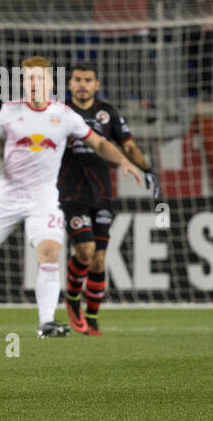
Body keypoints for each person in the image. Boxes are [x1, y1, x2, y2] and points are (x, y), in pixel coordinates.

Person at [0, 56, 144, 338]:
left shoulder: (65, 116)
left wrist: (123, 160)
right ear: (23, 84)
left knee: (50, 253)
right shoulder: (10, 112)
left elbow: (98, 142)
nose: (34, 84)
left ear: (51, 83)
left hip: (44, 199)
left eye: (40, 79)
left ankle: (46, 322)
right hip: (7, 197)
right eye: (29, 79)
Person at [58, 62, 158, 335]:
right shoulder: (61, 112)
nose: (82, 84)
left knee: (100, 260)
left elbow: (128, 146)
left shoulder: (107, 113)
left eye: (88, 79)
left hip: (101, 192)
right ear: (69, 84)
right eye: (77, 79)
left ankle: (91, 318)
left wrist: (147, 170)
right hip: (71, 191)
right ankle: (73, 300)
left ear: (96, 84)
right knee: (86, 250)